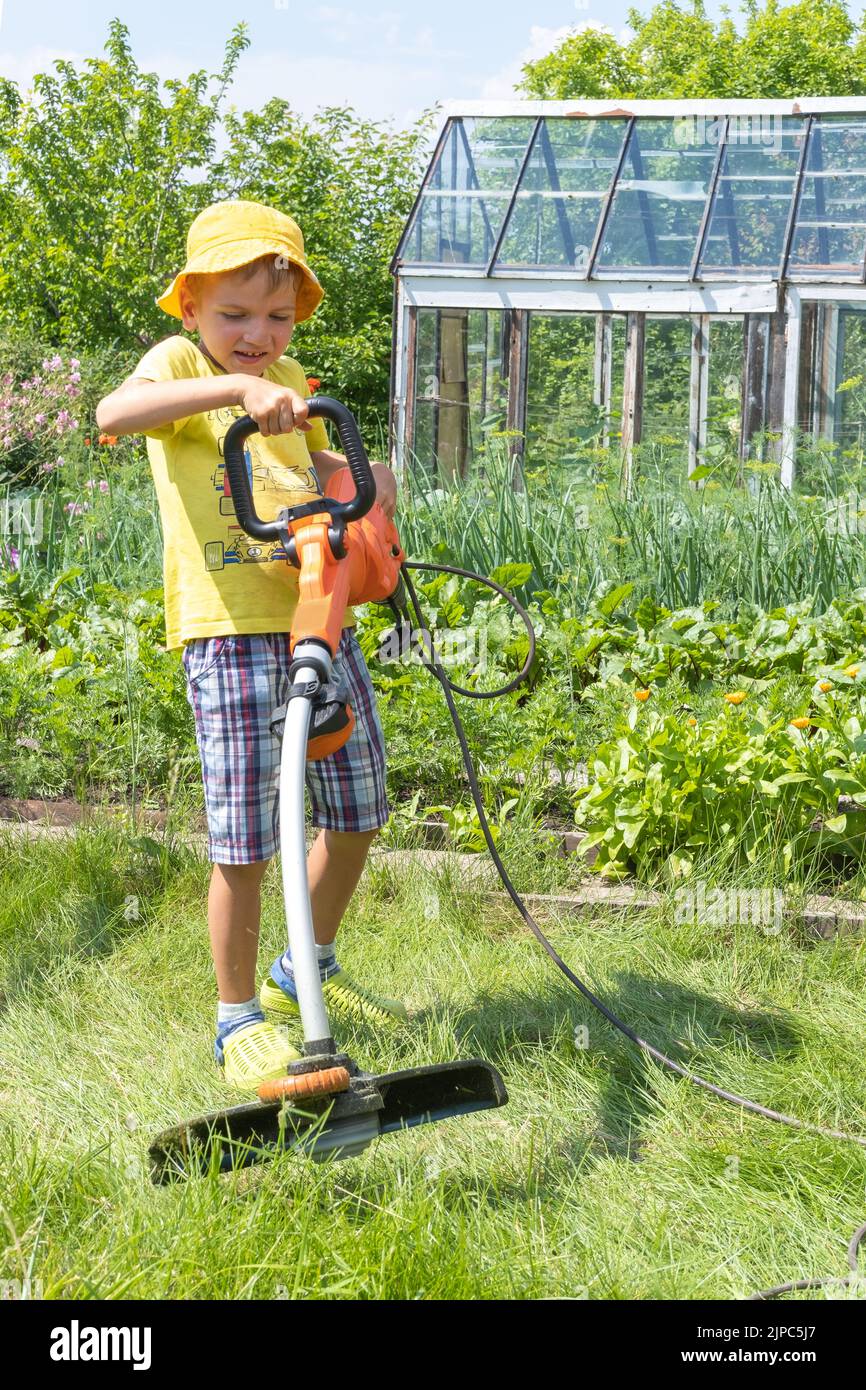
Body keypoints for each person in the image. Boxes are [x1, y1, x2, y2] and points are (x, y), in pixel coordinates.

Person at [96, 199, 407, 1093]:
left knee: (357, 808)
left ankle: (303, 972)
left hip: (322, 620)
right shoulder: (180, 367)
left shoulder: (296, 382)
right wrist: (236, 391)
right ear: (192, 307)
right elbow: (117, 415)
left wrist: (371, 486)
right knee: (244, 839)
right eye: (235, 315)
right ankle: (237, 1022)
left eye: (276, 317)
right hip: (229, 637)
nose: (257, 335)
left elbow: (331, 481)